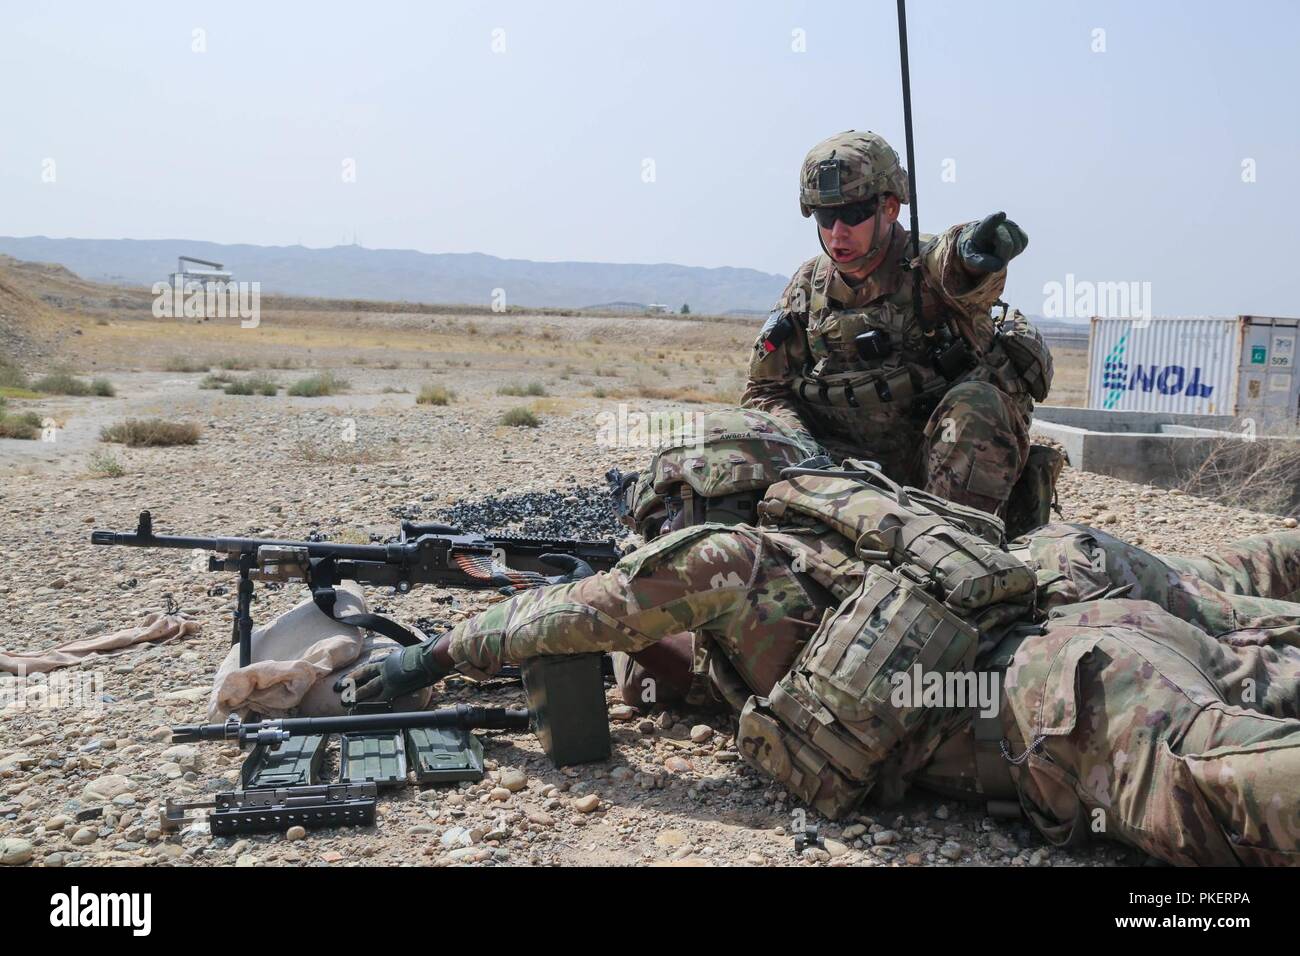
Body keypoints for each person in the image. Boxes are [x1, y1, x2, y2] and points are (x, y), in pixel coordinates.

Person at [344, 465, 1300, 866]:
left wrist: (425, 658)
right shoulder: (836, 552)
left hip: (1052, 697)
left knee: (1220, 789)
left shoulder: (716, 557)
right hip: (1094, 625)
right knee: (1257, 652)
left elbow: (566, 614)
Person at [741, 130, 1055, 524]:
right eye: (825, 216)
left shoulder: (927, 271)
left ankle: (964, 549)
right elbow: (765, 389)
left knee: (979, 403)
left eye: (854, 214)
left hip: (932, 477)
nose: (838, 232)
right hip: (838, 476)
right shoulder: (807, 287)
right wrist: (802, 447)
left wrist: (975, 251)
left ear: (890, 207)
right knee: (741, 432)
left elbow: (955, 265)